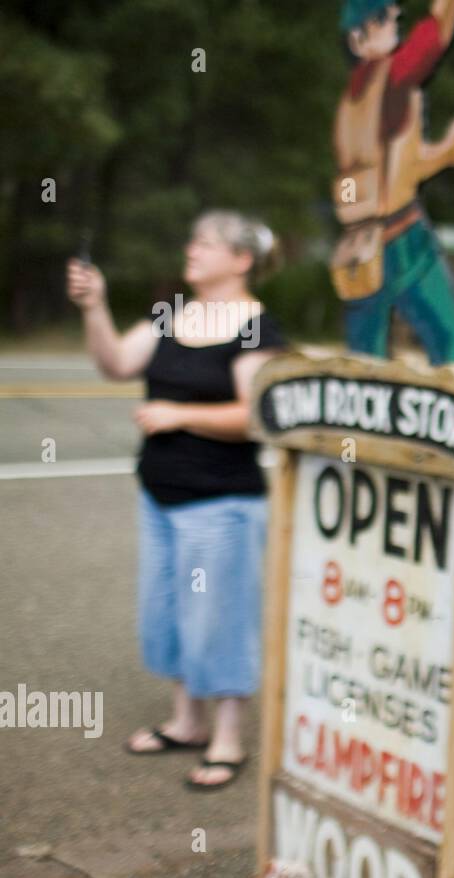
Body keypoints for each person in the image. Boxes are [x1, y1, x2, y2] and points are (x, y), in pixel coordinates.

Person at [66, 210, 288, 790]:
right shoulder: (170, 314)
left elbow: (255, 418)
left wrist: (178, 414)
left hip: (224, 503)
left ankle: (228, 739)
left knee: (220, 617)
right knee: (168, 612)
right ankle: (187, 722)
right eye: (191, 240)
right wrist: (95, 306)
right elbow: (115, 363)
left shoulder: (256, 327)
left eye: (206, 244)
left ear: (241, 260)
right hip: (160, 495)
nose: (192, 250)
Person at [332, 0, 454, 363]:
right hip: (402, 242)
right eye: (381, 18)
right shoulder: (393, 76)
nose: (394, 21)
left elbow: (387, 173)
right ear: (357, 40)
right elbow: (435, 33)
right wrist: (450, 152)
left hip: (358, 251)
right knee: (451, 345)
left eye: (392, 13)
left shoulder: (349, 106)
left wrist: (446, 151)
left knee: (365, 364)